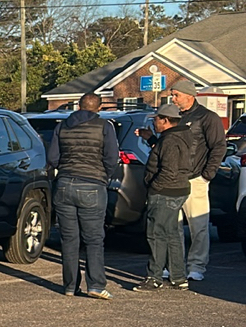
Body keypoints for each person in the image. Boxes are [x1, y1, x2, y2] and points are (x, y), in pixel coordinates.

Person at [48, 93, 120, 298]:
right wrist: (103, 176)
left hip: (64, 184)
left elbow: (52, 157)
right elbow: (111, 157)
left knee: (69, 239)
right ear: (98, 107)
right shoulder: (104, 126)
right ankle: (96, 284)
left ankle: (70, 285)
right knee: (94, 239)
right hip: (92, 184)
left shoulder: (62, 126)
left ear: (79, 106)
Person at [133, 104, 195, 292]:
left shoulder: (169, 141)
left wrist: (154, 188)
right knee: (171, 234)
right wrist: (150, 138)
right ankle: (178, 276)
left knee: (156, 234)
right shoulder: (178, 136)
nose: (154, 122)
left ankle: (154, 277)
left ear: (165, 120)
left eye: (156, 119)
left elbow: (169, 169)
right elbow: (166, 154)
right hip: (178, 189)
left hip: (166, 192)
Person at [169, 77, 225, 281]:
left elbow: (219, 146)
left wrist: (207, 175)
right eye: (172, 95)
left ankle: (196, 266)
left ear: (190, 96)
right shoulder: (173, 116)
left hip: (195, 179)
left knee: (198, 226)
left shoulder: (207, 117)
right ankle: (174, 265)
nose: (173, 99)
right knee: (171, 226)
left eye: (177, 95)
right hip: (172, 180)